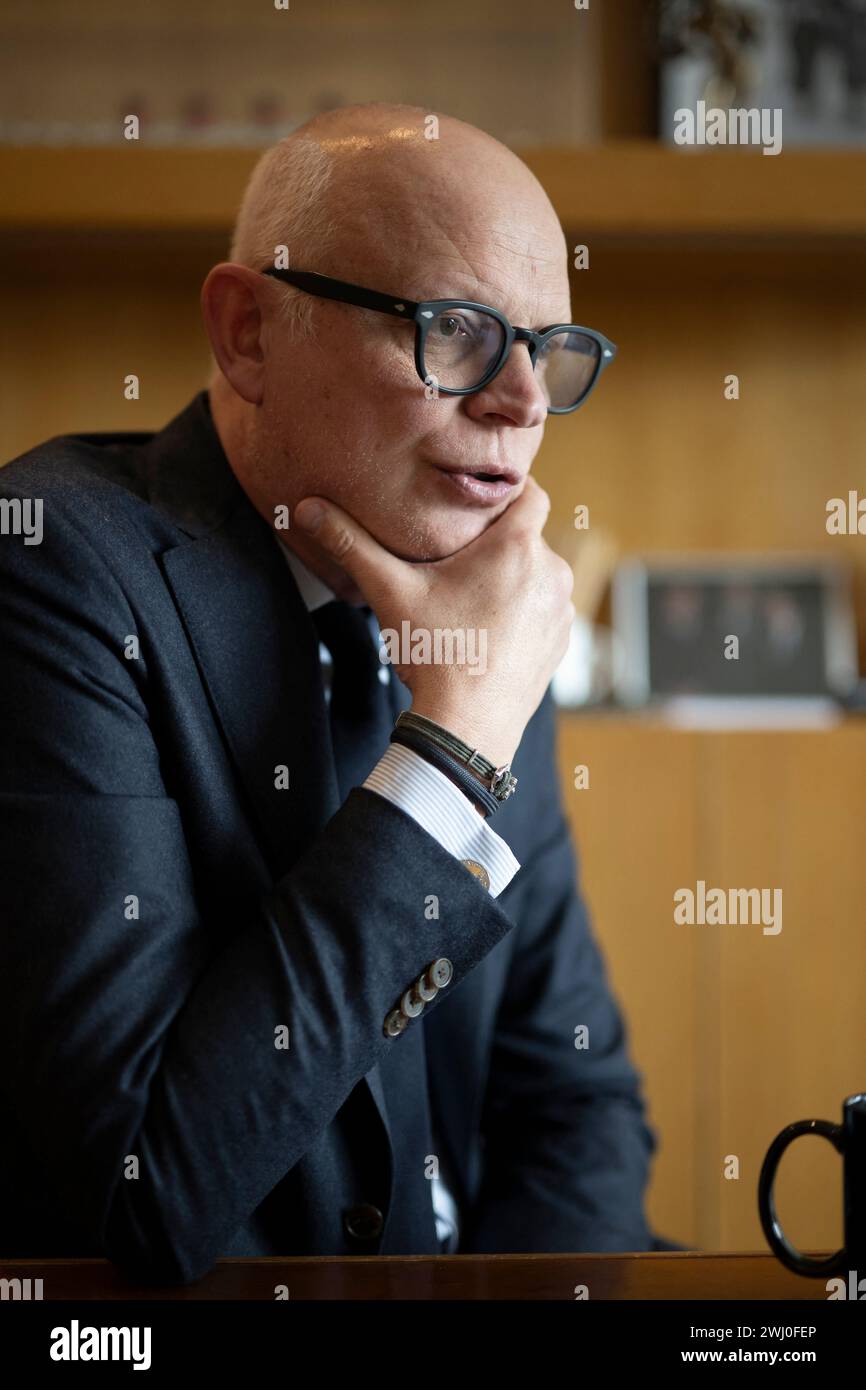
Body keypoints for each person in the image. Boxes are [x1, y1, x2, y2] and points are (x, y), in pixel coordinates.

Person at [0, 102, 672, 1287]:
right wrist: (449, 750)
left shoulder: (486, 613)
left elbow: (573, 1107)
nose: (521, 402)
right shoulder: (50, 565)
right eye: (459, 331)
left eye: (549, 348)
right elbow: (127, 1214)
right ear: (249, 329)